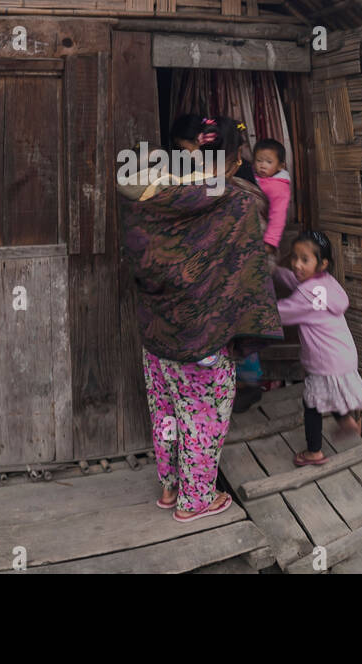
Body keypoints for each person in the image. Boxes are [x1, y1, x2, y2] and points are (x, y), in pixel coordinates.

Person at [119, 117, 282, 520]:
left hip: (157, 335)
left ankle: (171, 489)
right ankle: (197, 502)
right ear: (234, 160)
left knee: (167, 412)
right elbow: (247, 273)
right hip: (204, 340)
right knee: (202, 419)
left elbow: (144, 257)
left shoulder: (149, 195)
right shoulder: (237, 203)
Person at [272, 230, 362, 467]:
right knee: (329, 392)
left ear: (322, 263)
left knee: (312, 403)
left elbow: (280, 313)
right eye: (294, 257)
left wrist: (249, 306)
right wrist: (277, 272)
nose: (297, 264)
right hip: (342, 355)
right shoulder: (325, 283)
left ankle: (314, 452)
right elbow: (297, 283)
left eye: (304, 260)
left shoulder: (307, 295)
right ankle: (346, 421)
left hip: (325, 360)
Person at [252, 138, 291, 257]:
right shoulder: (254, 176)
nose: (262, 165)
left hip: (265, 236)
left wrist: (270, 241)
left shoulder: (279, 187)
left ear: (280, 166)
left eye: (269, 162)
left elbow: (278, 215)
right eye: (259, 160)